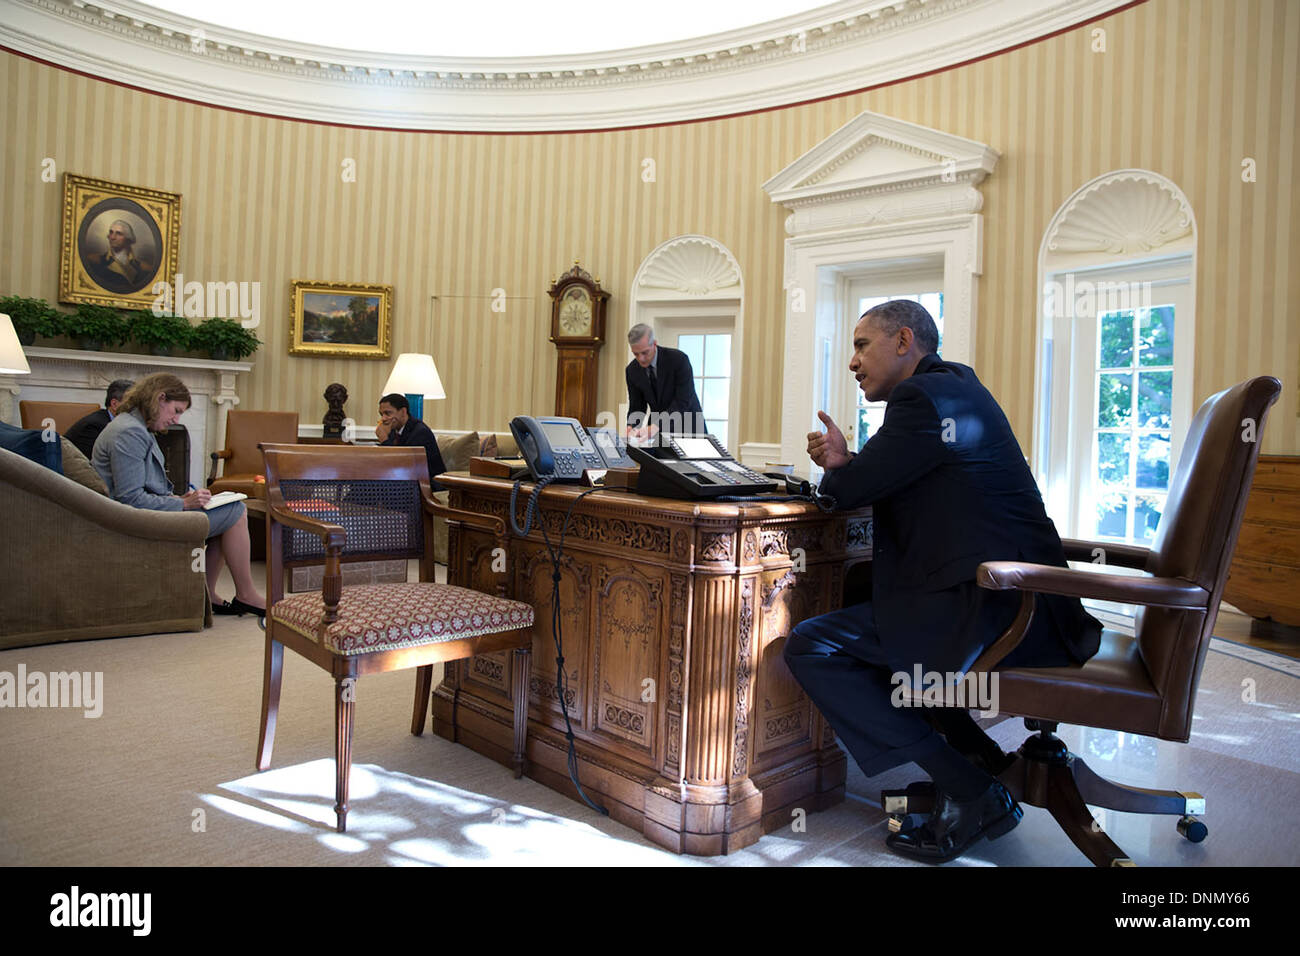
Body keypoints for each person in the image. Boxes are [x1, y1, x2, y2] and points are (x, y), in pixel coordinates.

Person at [785, 299, 1101, 863]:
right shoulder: (953, 389)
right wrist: (849, 459)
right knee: (865, 597)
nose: (853, 362)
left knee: (813, 646)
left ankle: (970, 786)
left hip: (1007, 614)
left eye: (862, 345)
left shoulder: (919, 399)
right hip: (1030, 604)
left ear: (904, 340)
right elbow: (903, 476)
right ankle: (975, 756)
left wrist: (838, 469)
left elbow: (850, 492)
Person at [91, 372, 265, 619]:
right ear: (159, 399)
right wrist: (183, 503)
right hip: (135, 521)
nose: (176, 419)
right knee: (236, 512)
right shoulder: (129, 433)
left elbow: (143, 488)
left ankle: (207, 594)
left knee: (228, 509)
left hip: (142, 513)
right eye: (176, 410)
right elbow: (130, 499)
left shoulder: (135, 426)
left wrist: (181, 497)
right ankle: (245, 593)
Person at [624, 324, 706, 439]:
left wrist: (655, 427)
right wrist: (631, 427)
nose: (640, 359)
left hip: (689, 428)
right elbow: (637, 405)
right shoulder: (632, 370)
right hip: (657, 433)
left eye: (644, 353)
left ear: (654, 344)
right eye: (636, 354)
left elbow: (682, 401)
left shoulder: (679, 360)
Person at [375, 393, 446, 489]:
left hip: (426, 484)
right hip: (404, 481)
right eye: (381, 414)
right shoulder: (392, 430)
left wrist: (384, 440)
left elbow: (401, 465)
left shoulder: (420, 432)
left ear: (403, 412)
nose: (383, 419)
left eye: (388, 413)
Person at [64, 378, 133, 459]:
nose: (136, 409)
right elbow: (93, 465)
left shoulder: (115, 423)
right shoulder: (94, 426)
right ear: (114, 404)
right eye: (131, 403)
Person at [85, 219, 153, 294]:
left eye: (119, 234)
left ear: (128, 239)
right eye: (111, 232)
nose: (113, 237)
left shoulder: (144, 267)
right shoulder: (94, 260)